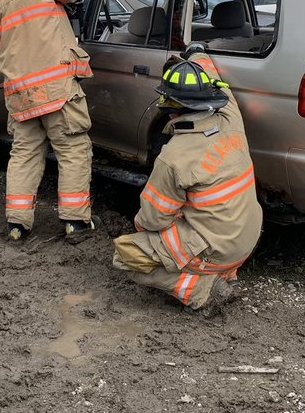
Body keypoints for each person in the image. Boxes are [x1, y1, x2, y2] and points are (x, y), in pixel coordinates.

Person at [112, 49, 263, 315]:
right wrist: (196, 54)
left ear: (170, 106)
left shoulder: (174, 157)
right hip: (248, 238)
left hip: (216, 250)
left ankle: (202, 289)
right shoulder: (231, 118)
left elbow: (151, 219)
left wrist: (149, 236)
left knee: (126, 257)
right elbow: (212, 75)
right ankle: (225, 272)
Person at [0, 0, 94, 242]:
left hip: (20, 94)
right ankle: (76, 221)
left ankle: (17, 225)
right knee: (73, 149)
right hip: (57, 88)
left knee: (24, 154)